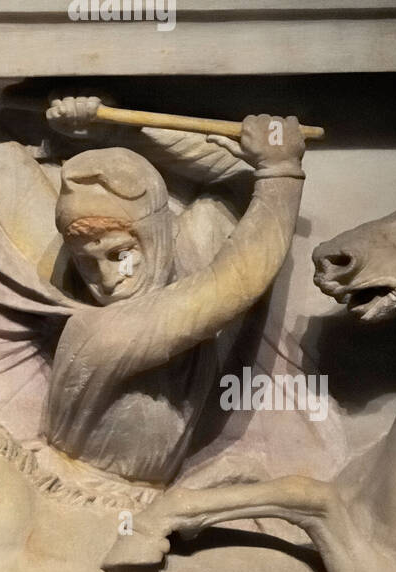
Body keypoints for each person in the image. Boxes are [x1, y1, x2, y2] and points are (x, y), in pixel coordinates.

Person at [39, 97, 307, 489]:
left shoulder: (188, 256)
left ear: (159, 236)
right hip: (95, 504)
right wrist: (281, 169)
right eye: (87, 262)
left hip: (129, 500)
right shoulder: (106, 333)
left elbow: (236, 185)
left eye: (120, 254)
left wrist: (118, 133)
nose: (109, 279)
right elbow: (237, 281)